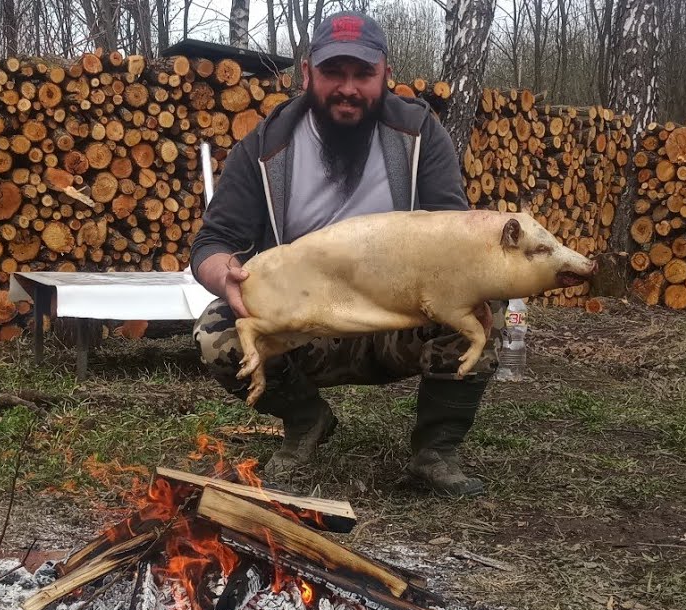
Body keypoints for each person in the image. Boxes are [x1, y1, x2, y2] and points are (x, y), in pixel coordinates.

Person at [189, 10, 502, 497]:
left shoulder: (420, 134)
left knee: (484, 304)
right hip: (306, 324)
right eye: (333, 72)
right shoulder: (265, 146)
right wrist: (224, 275)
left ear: (386, 74)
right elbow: (212, 242)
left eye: (363, 74)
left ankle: (436, 451)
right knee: (217, 331)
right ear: (307, 73)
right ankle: (306, 419)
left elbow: (454, 233)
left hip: (402, 315)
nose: (348, 88)